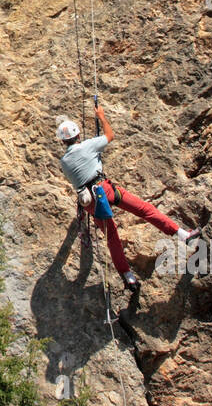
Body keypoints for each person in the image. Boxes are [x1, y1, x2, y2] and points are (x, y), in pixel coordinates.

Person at [57, 100, 199, 300]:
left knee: (112, 237)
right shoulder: (88, 145)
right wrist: (102, 116)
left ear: (63, 141)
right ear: (78, 135)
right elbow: (109, 135)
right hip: (105, 190)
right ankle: (182, 234)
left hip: (89, 202)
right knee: (144, 209)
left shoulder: (64, 162)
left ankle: (128, 276)